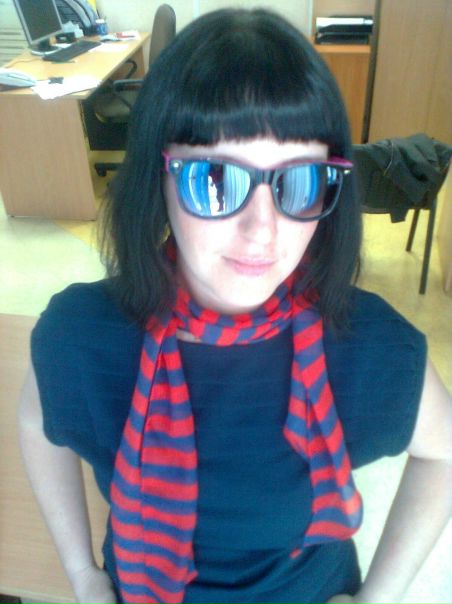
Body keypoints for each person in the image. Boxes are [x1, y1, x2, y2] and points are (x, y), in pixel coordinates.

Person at [18, 8, 451, 604]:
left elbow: (444, 455)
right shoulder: (81, 337)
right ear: (156, 178)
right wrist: (82, 575)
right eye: (214, 181)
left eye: (299, 181)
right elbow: (37, 423)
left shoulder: (367, 344)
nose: (262, 231)